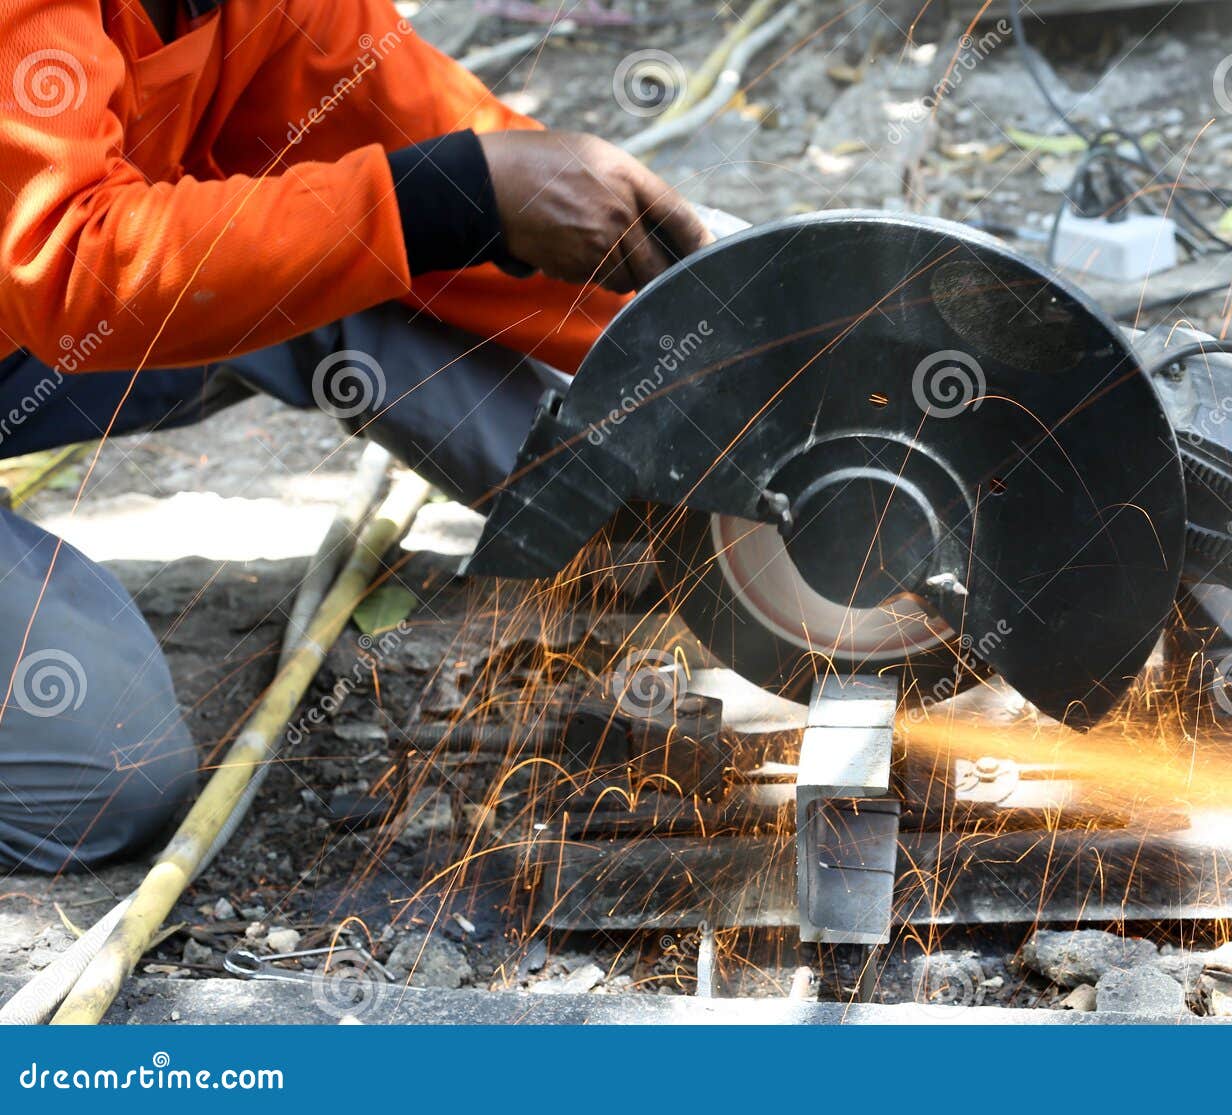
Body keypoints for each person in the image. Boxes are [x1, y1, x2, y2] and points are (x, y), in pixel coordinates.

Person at [0, 0, 710, 872]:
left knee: (346, 239)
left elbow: (421, 147)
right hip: (51, 296)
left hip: (25, 339)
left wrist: (746, 336)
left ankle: (682, 519)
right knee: (102, 776)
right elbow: (72, 261)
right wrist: (444, 195)